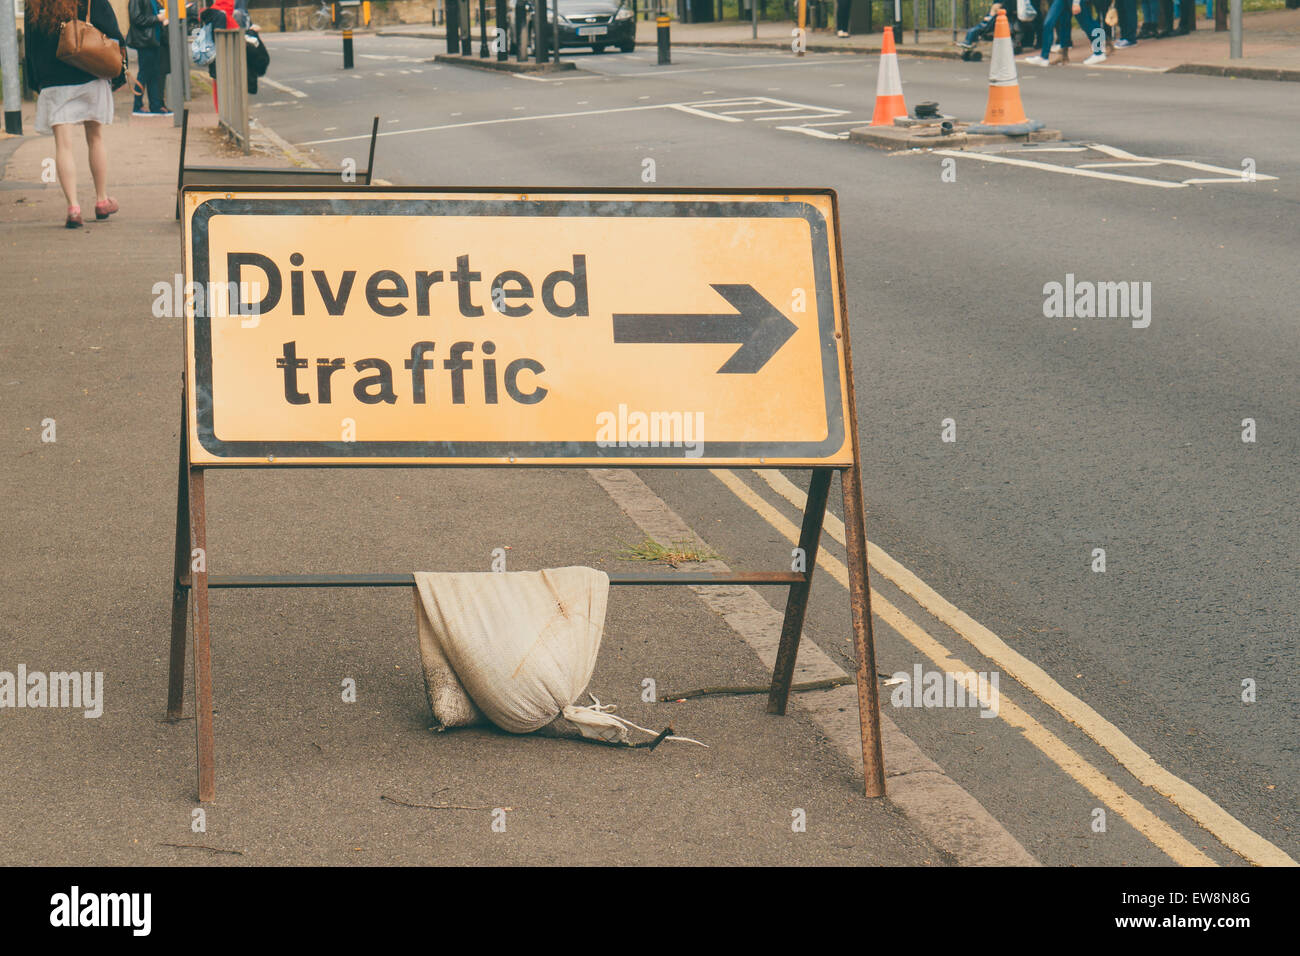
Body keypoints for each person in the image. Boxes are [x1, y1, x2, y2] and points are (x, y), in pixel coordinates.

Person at [23, 0, 124, 228]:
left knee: (63, 145)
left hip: (53, 80)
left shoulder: (33, 3)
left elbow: (30, 47)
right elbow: (113, 33)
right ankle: (101, 200)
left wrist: (36, 82)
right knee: (95, 137)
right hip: (89, 72)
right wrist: (118, 75)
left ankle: (73, 208)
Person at [127, 0, 170, 116]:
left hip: (154, 41)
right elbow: (136, 18)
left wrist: (162, 20)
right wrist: (158, 19)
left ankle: (155, 106)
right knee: (144, 73)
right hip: (145, 41)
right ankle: (138, 105)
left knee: (154, 74)